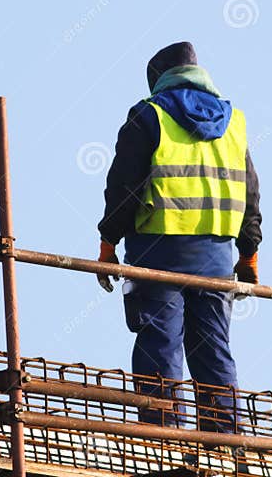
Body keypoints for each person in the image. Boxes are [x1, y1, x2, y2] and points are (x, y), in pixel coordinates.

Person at [96, 41, 262, 434]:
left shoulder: (149, 115)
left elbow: (124, 187)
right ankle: (224, 440)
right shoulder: (234, 122)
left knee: (160, 344)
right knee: (213, 349)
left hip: (158, 250)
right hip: (217, 258)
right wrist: (248, 252)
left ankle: (166, 438)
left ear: (158, 80)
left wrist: (108, 243)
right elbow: (250, 192)